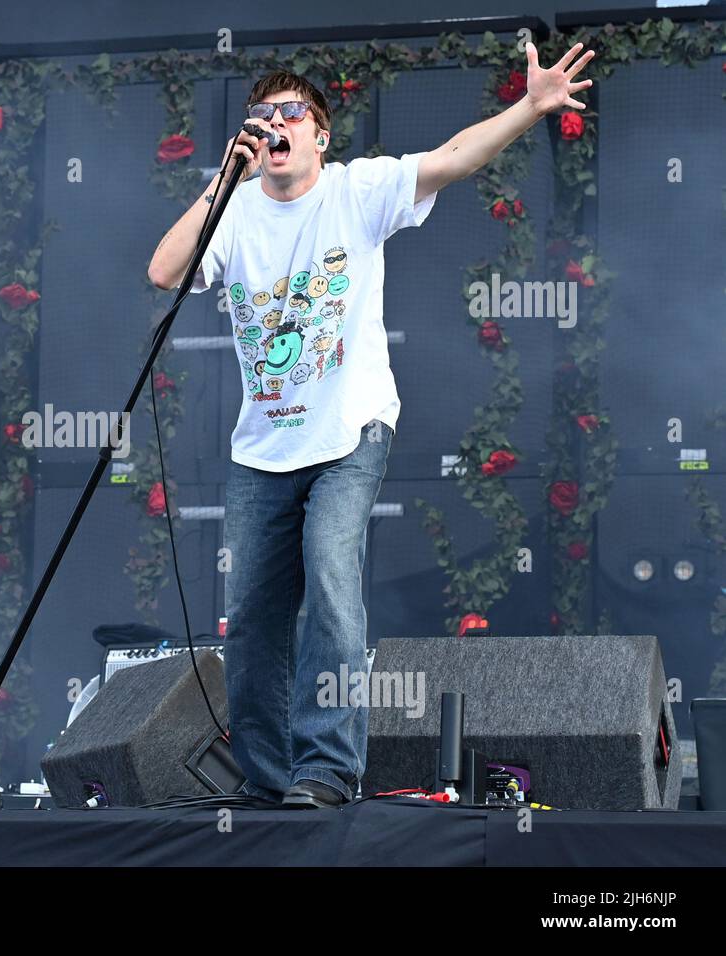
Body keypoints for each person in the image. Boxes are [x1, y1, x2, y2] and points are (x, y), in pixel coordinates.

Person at [148, 44, 593, 808]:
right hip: (262, 451)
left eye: (294, 114)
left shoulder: (358, 191)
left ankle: (326, 767)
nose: (276, 123)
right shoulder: (237, 210)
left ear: (321, 136)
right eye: (264, 115)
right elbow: (165, 271)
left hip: (350, 433)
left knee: (329, 575)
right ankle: (264, 776)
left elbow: (454, 158)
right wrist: (222, 181)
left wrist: (530, 105)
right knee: (251, 618)